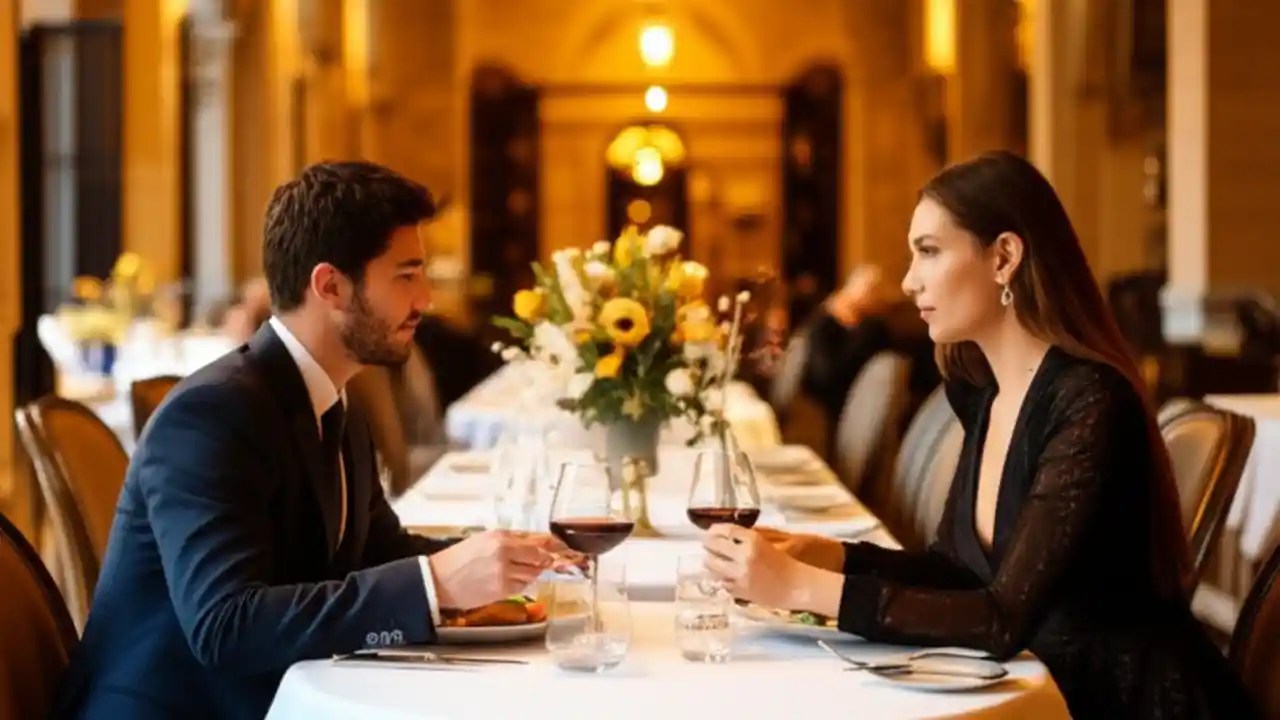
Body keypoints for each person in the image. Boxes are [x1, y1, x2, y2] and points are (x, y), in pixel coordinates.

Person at [700, 151, 1258, 718]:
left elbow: (999, 619)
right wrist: (825, 556)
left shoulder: (1089, 399)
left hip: (1118, 704)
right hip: (1047, 689)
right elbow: (957, 572)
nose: (908, 280)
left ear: (1004, 257)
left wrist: (798, 588)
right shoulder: (984, 393)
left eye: (929, 252)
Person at [56, 162, 568, 719]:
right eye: (406, 275)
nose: (425, 300)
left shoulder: (333, 401)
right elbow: (227, 626)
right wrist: (436, 582)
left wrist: (507, 560)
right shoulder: (212, 414)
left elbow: (380, 553)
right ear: (330, 286)